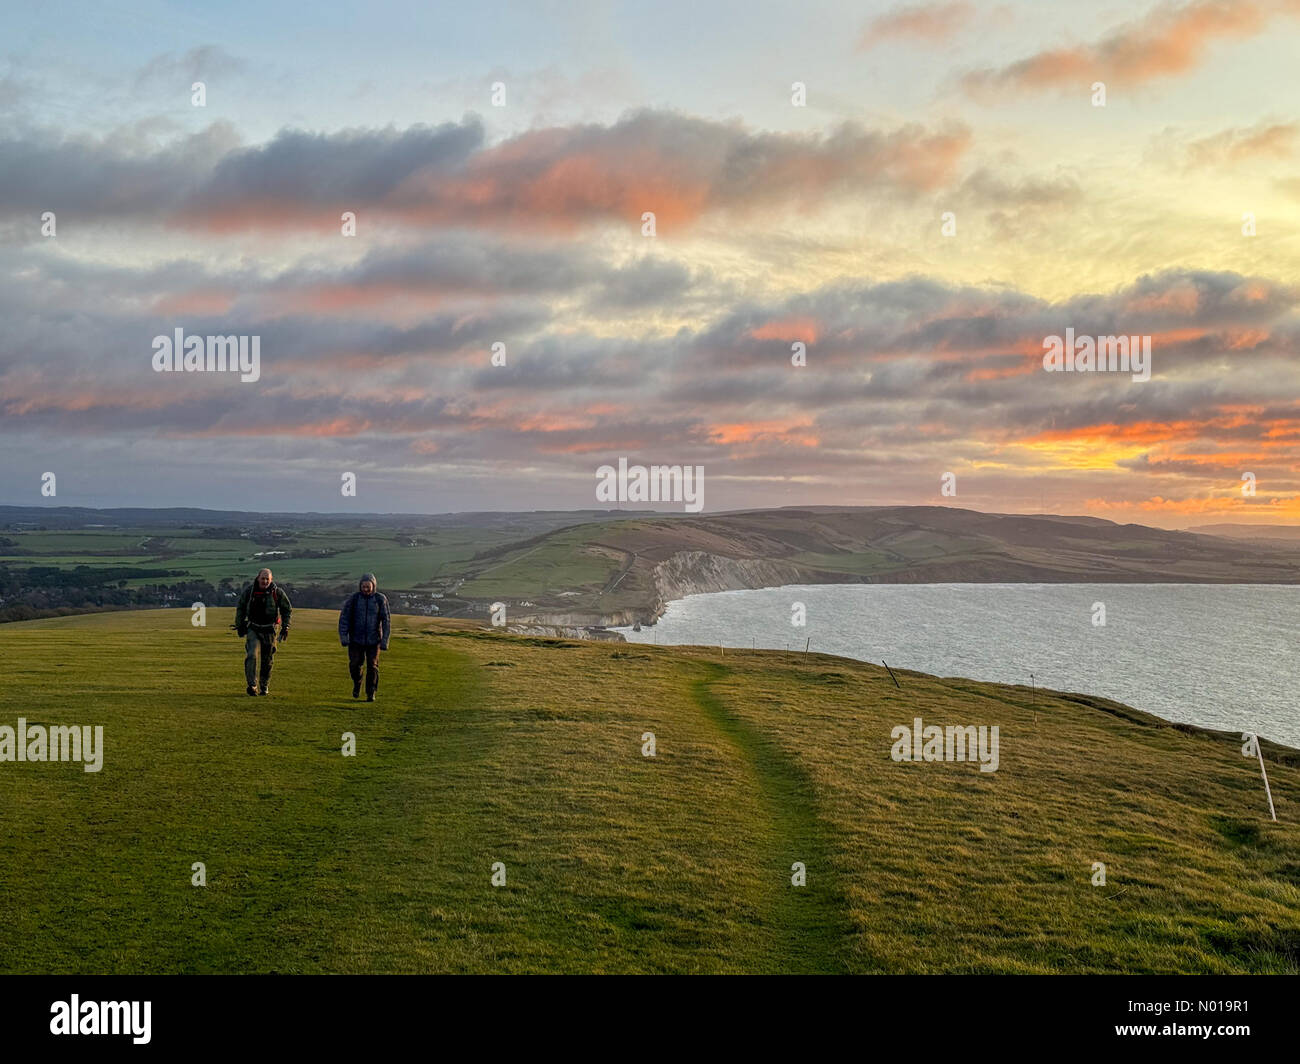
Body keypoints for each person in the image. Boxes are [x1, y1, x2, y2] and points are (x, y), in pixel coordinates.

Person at [234, 568, 291, 696]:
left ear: (271, 580)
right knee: (251, 655)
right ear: (258, 578)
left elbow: (286, 610)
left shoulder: (278, 593)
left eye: (267, 579)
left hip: (270, 630)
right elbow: (241, 607)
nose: (265, 581)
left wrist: (286, 626)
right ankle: (252, 685)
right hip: (253, 628)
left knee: (267, 659)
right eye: (263, 578)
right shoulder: (249, 592)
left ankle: (264, 686)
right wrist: (239, 625)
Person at [338, 573, 390, 702]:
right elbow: (344, 618)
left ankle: (371, 692)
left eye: (368, 587)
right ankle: (357, 682)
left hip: (374, 640)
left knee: (373, 666)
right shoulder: (354, 599)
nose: (366, 589)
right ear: (360, 586)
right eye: (363, 586)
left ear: (374, 586)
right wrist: (344, 637)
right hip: (355, 640)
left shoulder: (380, 599)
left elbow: (386, 621)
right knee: (355, 665)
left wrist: (385, 641)